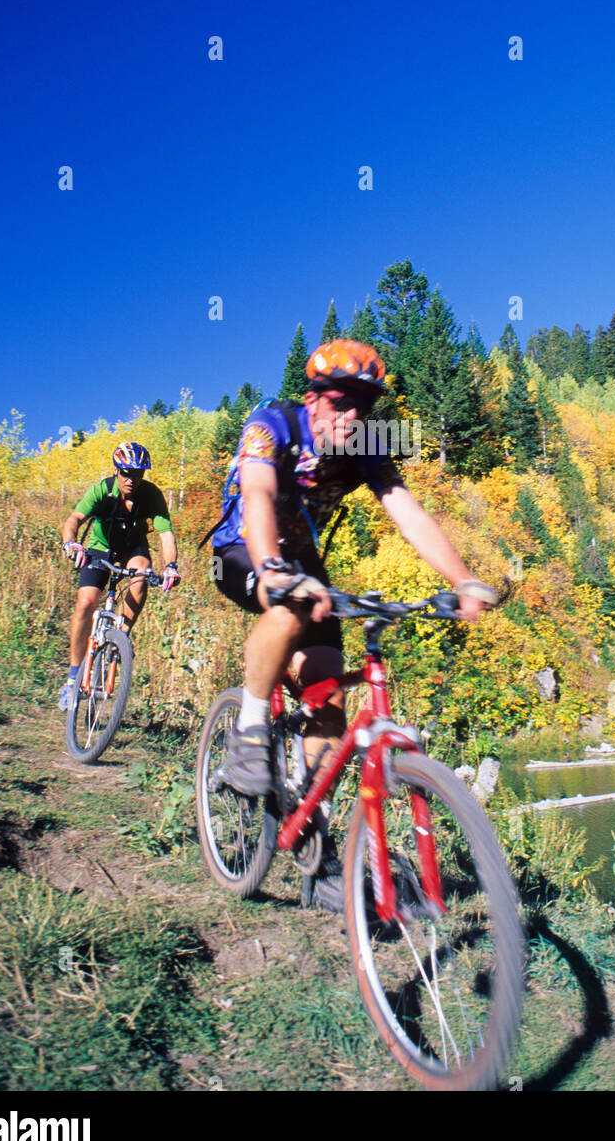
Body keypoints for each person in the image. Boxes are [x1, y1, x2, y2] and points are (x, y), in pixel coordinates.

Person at [209, 340, 497, 910]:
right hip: (244, 548)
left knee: (328, 696)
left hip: (305, 562)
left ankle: (315, 854)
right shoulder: (272, 425)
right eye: (341, 402)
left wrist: (464, 579)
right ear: (313, 399)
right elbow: (260, 493)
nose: (352, 417)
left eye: (364, 406)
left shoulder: (365, 445)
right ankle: (246, 731)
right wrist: (271, 568)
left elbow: (406, 509)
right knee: (287, 605)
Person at [58, 442, 181, 709]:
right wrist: (71, 543)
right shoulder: (102, 489)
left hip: (132, 549)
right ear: (117, 470)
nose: (131, 479)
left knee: (143, 575)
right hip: (100, 549)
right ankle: (71, 680)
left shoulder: (151, 495)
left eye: (138, 474)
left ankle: (122, 636)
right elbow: (75, 518)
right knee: (86, 604)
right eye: (126, 472)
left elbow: (166, 534)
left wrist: (171, 565)